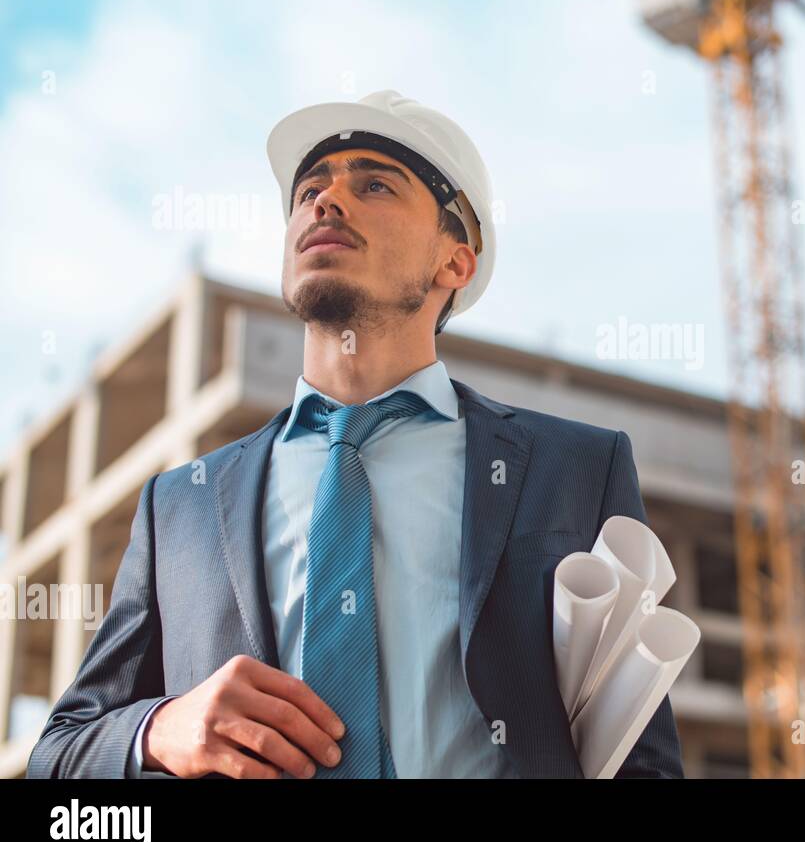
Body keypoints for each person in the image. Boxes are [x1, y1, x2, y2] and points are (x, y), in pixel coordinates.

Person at [26, 90, 683, 779]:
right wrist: (161, 729)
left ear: (455, 261)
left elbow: (646, 762)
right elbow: (57, 755)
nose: (326, 200)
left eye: (373, 183)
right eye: (310, 187)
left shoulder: (576, 468)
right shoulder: (179, 506)